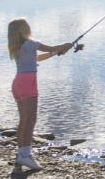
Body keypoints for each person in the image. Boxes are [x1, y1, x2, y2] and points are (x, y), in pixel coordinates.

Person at [6, 18, 73, 171]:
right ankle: (26, 155)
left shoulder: (18, 46)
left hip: (18, 82)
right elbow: (51, 47)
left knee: (24, 120)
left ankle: (21, 155)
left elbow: (37, 58)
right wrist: (66, 45)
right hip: (28, 83)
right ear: (24, 29)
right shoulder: (31, 44)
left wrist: (55, 53)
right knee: (30, 120)